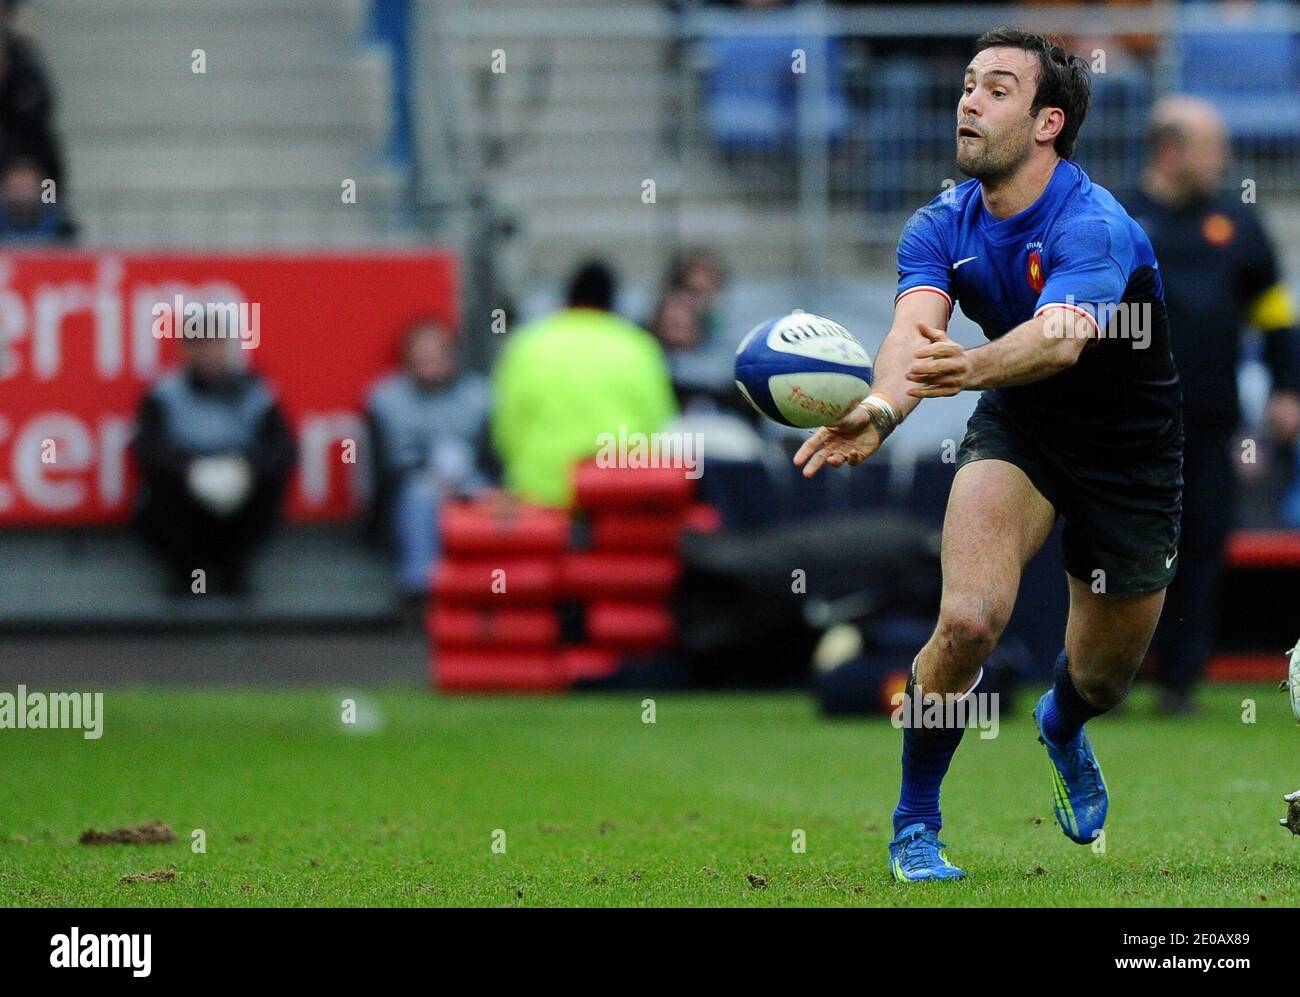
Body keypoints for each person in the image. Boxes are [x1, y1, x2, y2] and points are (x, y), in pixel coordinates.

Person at [796, 28, 1182, 881]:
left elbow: (1060, 341)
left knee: (1105, 678)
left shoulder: (1096, 225)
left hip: (1131, 456)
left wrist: (967, 367)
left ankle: (1062, 724)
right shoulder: (940, 223)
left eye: (996, 88)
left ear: (1049, 122)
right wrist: (883, 406)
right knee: (967, 621)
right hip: (1023, 430)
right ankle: (915, 824)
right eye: (967, 83)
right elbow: (913, 331)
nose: (968, 99)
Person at [1124, 96, 1300, 715]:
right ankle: (1105, 677)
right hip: (1124, 423)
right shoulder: (1118, 217)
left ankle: (1180, 682)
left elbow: (1275, 313)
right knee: (1117, 546)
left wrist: (1287, 386)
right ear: (1170, 150)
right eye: (1212, 147)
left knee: (1200, 544)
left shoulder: (1237, 221)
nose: (1224, 159)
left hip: (1207, 420)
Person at [491, 261, 677, 507]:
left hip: (540, 495)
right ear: (612, 302)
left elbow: (506, 429)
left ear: (567, 298)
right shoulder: (639, 347)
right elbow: (659, 424)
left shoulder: (526, 345)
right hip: (618, 494)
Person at [132, 330, 296, 595]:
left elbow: (283, 449)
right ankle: (189, 574)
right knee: (161, 495)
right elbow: (148, 450)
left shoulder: (256, 392)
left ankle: (234, 570)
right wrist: (191, 471)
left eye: (214, 346)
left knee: (268, 487)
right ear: (184, 351)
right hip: (184, 491)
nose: (208, 355)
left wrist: (245, 470)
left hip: (241, 490)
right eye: (199, 346)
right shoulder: (163, 395)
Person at [365, 319, 491, 596]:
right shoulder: (385, 398)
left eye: (438, 355)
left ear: (453, 355)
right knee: (420, 496)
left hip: (469, 479)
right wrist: (427, 473)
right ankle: (420, 587)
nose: (430, 363)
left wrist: (460, 480)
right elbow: (382, 467)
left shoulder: (481, 394)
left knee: (485, 495)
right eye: (422, 356)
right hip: (411, 483)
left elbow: (492, 457)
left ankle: (487, 585)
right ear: (407, 358)